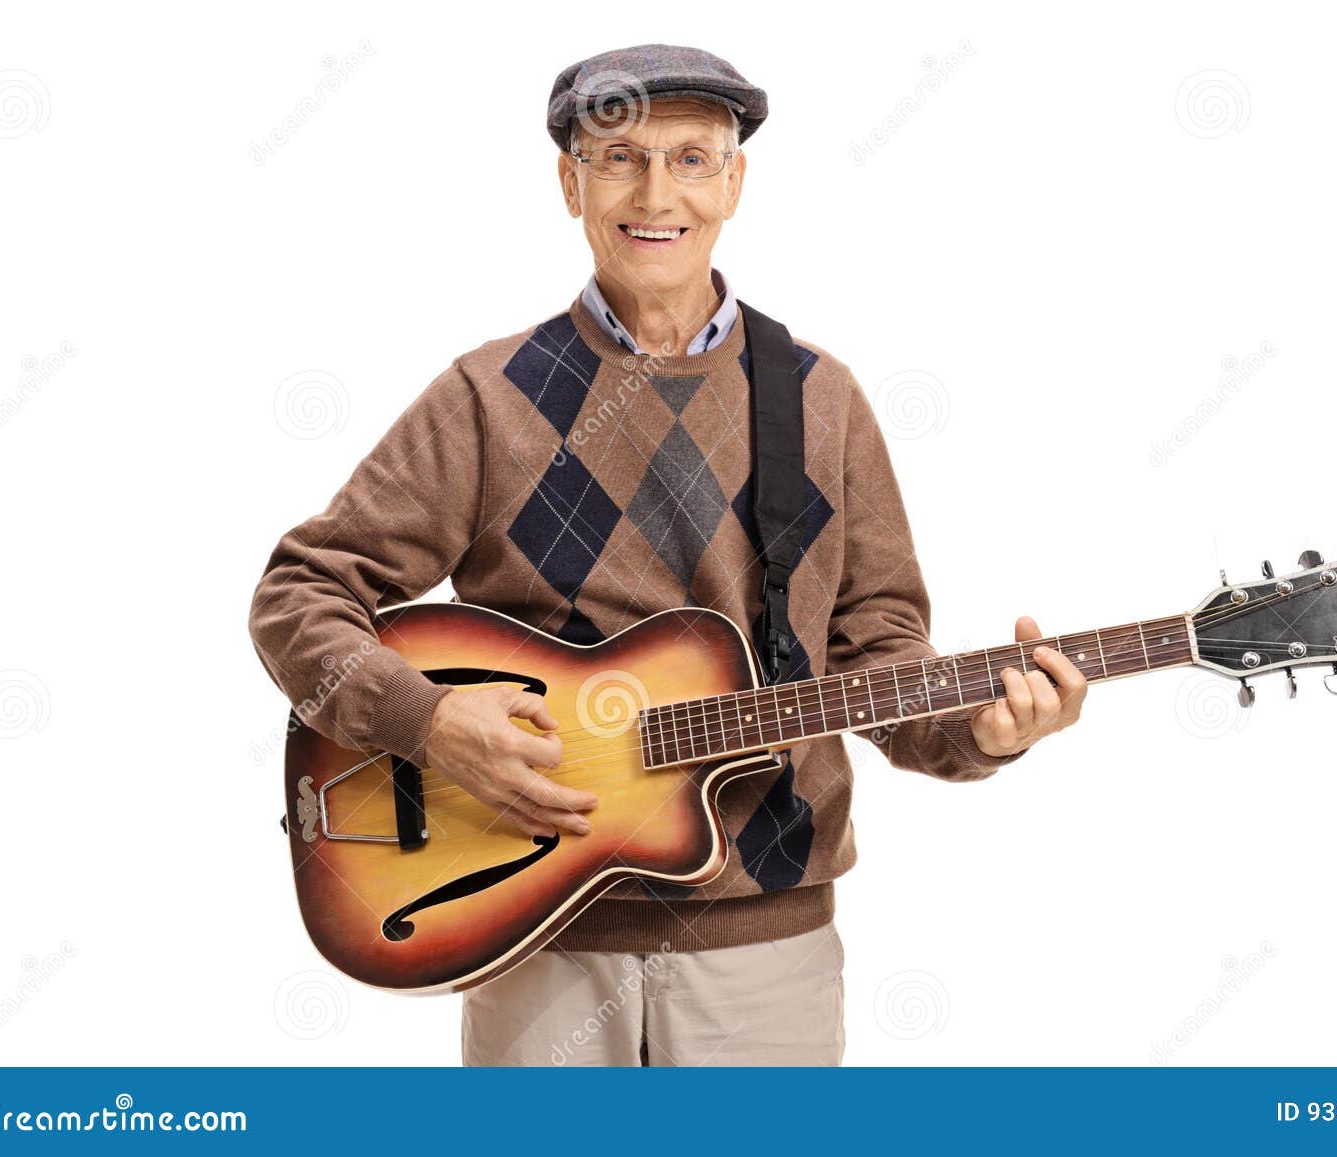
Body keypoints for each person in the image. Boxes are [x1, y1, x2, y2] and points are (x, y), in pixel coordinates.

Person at [249, 43, 1087, 1066]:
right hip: (533, 939)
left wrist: (985, 730)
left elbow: (877, 657)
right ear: (570, 182)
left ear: (734, 183)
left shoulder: (817, 399)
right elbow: (300, 592)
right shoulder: (485, 395)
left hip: (764, 954)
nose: (657, 192)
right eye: (619, 158)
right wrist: (427, 721)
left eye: (691, 158)